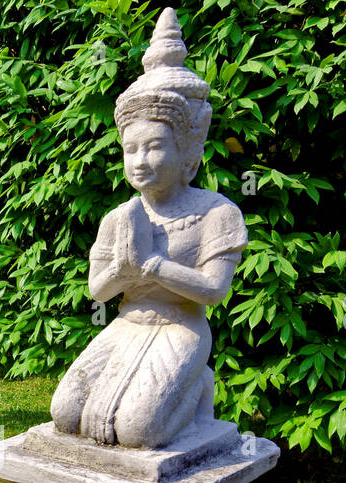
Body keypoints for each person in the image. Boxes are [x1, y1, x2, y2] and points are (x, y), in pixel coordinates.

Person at [50, 8, 247, 450]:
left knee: (138, 430)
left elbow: (214, 291)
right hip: (127, 323)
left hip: (182, 326)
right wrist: (125, 268)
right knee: (66, 413)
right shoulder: (121, 217)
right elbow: (99, 290)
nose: (139, 161)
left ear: (185, 149)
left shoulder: (217, 212)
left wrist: (154, 266)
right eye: (131, 149)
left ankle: (197, 387)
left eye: (154, 147)